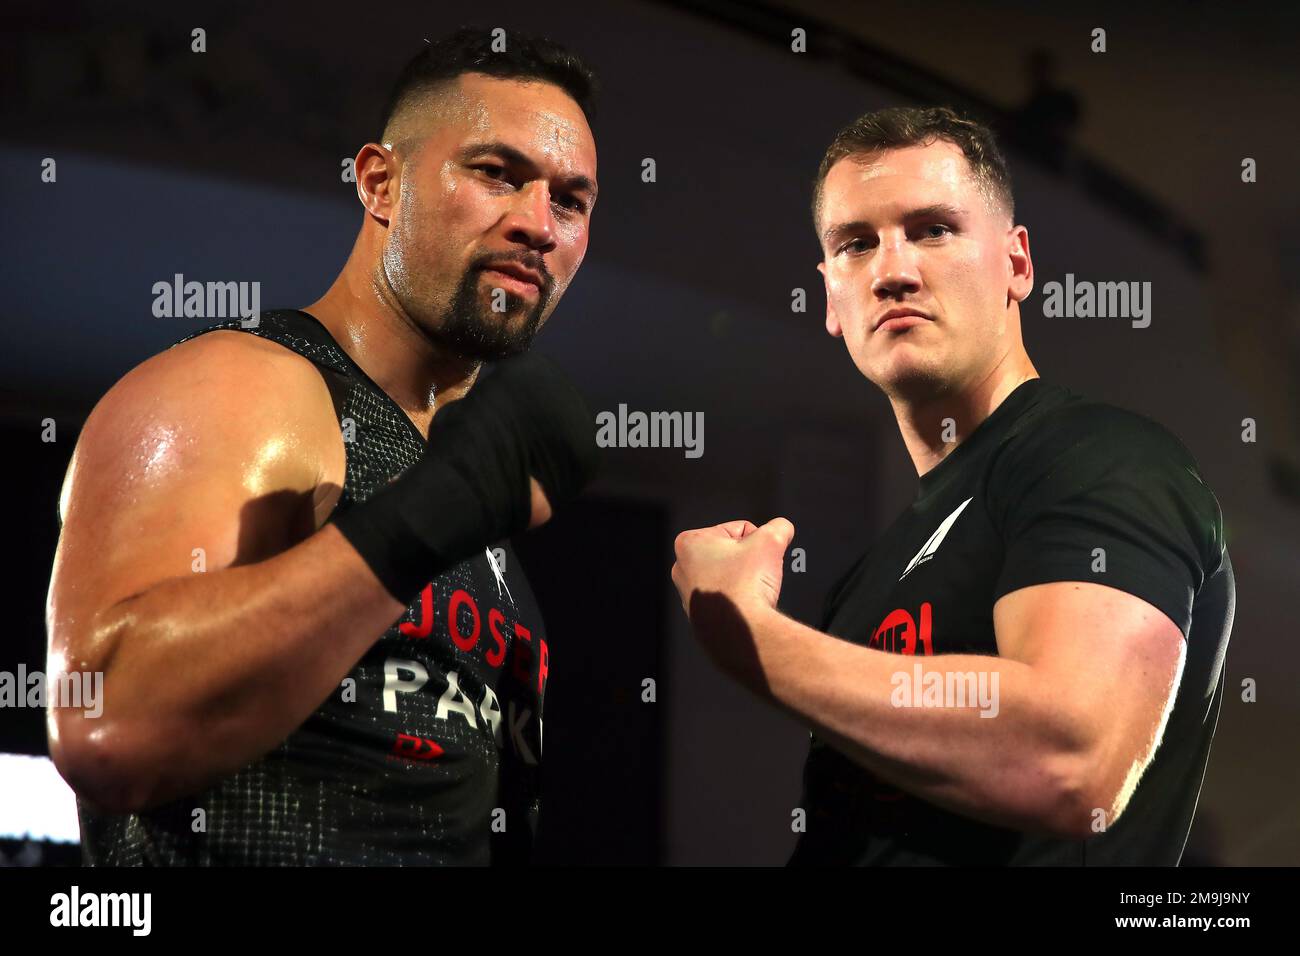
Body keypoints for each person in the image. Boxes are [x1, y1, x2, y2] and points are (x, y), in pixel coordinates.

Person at [46, 26, 600, 865]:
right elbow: (104, 718)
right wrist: (433, 512)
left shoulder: (474, 492)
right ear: (380, 182)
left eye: (570, 200)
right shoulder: (248, 386)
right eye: (497, 173)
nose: (538, 224)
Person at [670, 105, 1233, 865]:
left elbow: (1070, 760)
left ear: (1017, 265)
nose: (893, 271)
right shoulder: (868, 579)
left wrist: (749, 636)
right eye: (856, 244)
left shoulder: (1100, 456)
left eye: (933, 229)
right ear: (831, 297)